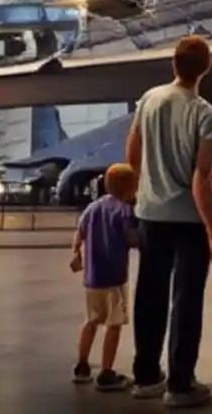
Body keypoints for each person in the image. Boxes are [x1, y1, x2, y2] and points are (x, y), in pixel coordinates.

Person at [127, 35, 212, 407]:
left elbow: (132, 151)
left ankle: (145, 377)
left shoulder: (149, 100)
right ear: (206, 68)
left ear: (173, 64)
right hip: (188, 221)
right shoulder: (208, 115)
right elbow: (201, 179)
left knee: (149, 295)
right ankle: (180, 384)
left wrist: (147, 187)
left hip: (150, 215)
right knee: (186, 301)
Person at [71, 163, 139, 391]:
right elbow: (132, 239)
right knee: (114, 324)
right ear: (131, 187)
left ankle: (82, 366)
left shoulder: (92, 208)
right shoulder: (125, 211)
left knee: (90, 321)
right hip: (115, 279)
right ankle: (106, 372)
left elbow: (79, 233)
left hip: (92, 278)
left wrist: (75, 254)